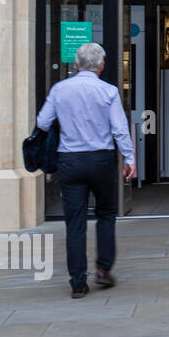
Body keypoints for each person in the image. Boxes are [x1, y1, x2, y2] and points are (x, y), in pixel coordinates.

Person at [35, 43, 136, 298]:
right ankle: (103, 268)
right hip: (101, 159)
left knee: (75, 221)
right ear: (101, 66)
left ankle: (78, 282)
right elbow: (119, 129)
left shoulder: (60, 89)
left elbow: (42, 122)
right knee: (106, 213)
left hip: (70, 160)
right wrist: (129, 158)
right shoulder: (109, 91)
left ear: (76, 65)